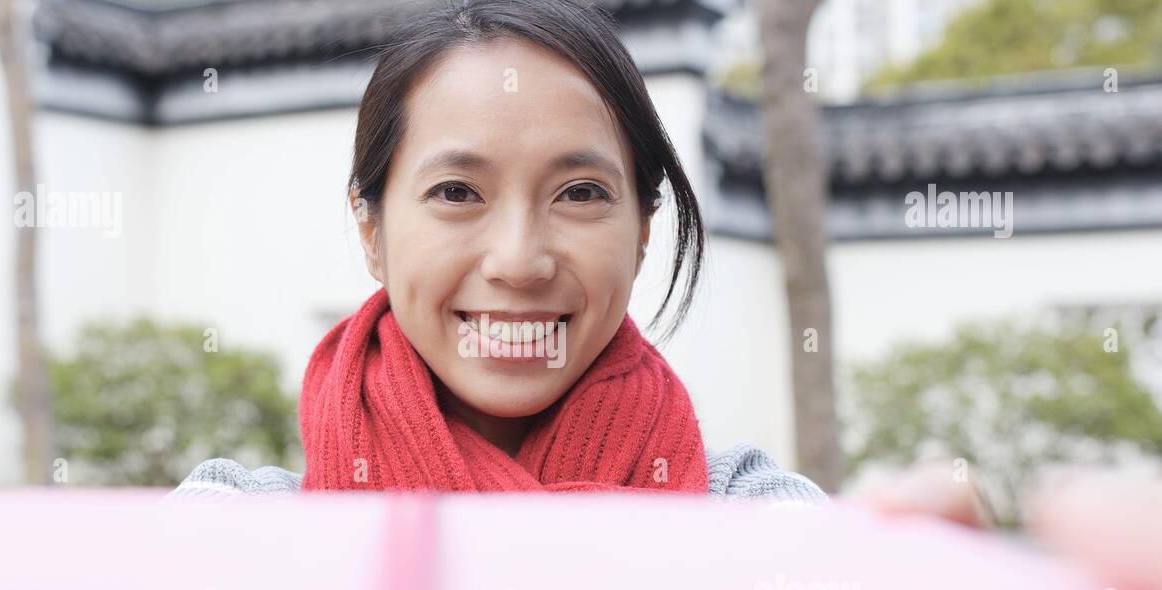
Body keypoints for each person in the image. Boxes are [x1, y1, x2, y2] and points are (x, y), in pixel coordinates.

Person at [171, 0, 824, 503]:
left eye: (579, 193)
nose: (518, 261)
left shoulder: (743, 511)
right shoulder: (242, 523)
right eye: (457, 191)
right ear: (371, 231)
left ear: (644, 229)